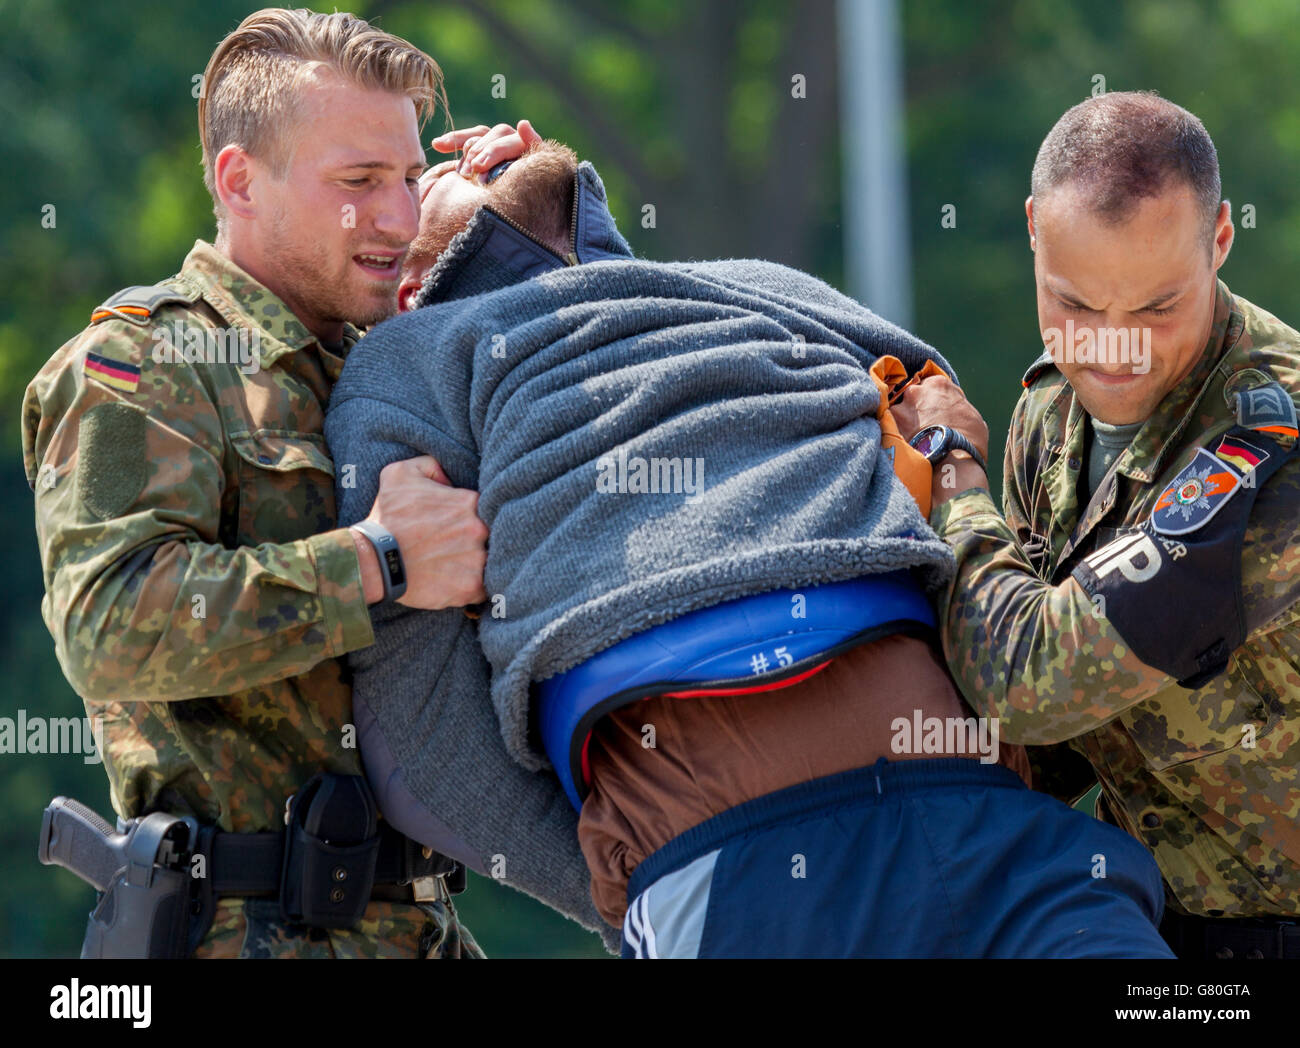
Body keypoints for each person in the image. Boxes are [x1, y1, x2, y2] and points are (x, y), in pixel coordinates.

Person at [324, 141, 1177, 958]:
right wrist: (628, 879)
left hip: (977, 801)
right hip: (728, 851)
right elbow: (417, 722)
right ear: (410, 287)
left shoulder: (739, 284)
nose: (461, 156)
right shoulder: (414, 353)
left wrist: (562, 215)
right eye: (423, 176)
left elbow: (924, 383)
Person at [22, 7, 543, 959]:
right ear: (239, 181)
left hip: (423, 928)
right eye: (359, 182)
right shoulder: (145, 363)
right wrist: (378, 560)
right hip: (241, 929)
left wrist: (545, 240)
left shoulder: (403, 363)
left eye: (410, 177)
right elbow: (107, 625)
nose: (399, 214)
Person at [893, 91, 1300, 960]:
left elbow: (1029, 683)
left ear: (1221, 240)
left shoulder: (1274, 447)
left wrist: (951, 467)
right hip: (1147, 931)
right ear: (1034, 230)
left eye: (1157, 309)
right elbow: (1058, 750)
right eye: (1076, 306)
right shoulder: (1050, 410)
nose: (1113, 351)